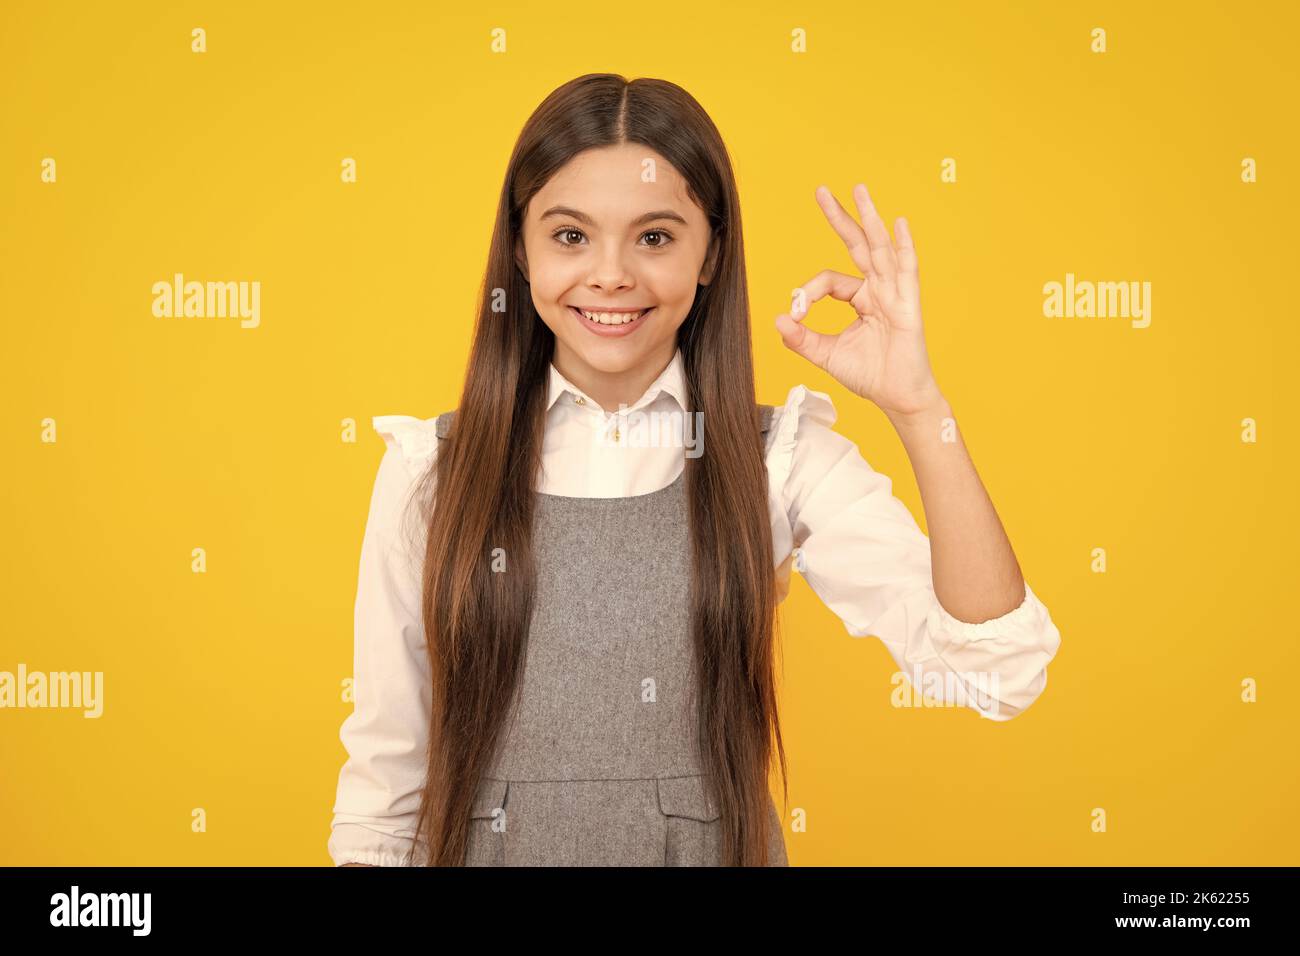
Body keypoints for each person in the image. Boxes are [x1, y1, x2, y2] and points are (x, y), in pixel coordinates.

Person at [328, 73, 1062, 868]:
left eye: (654, 237)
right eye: (570, 236)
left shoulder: (777, 458)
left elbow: (995, 672)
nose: (610, 275)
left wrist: (920, 408)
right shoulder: (430, 472)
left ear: (710, 252)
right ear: (520, 247)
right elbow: (384, 781)